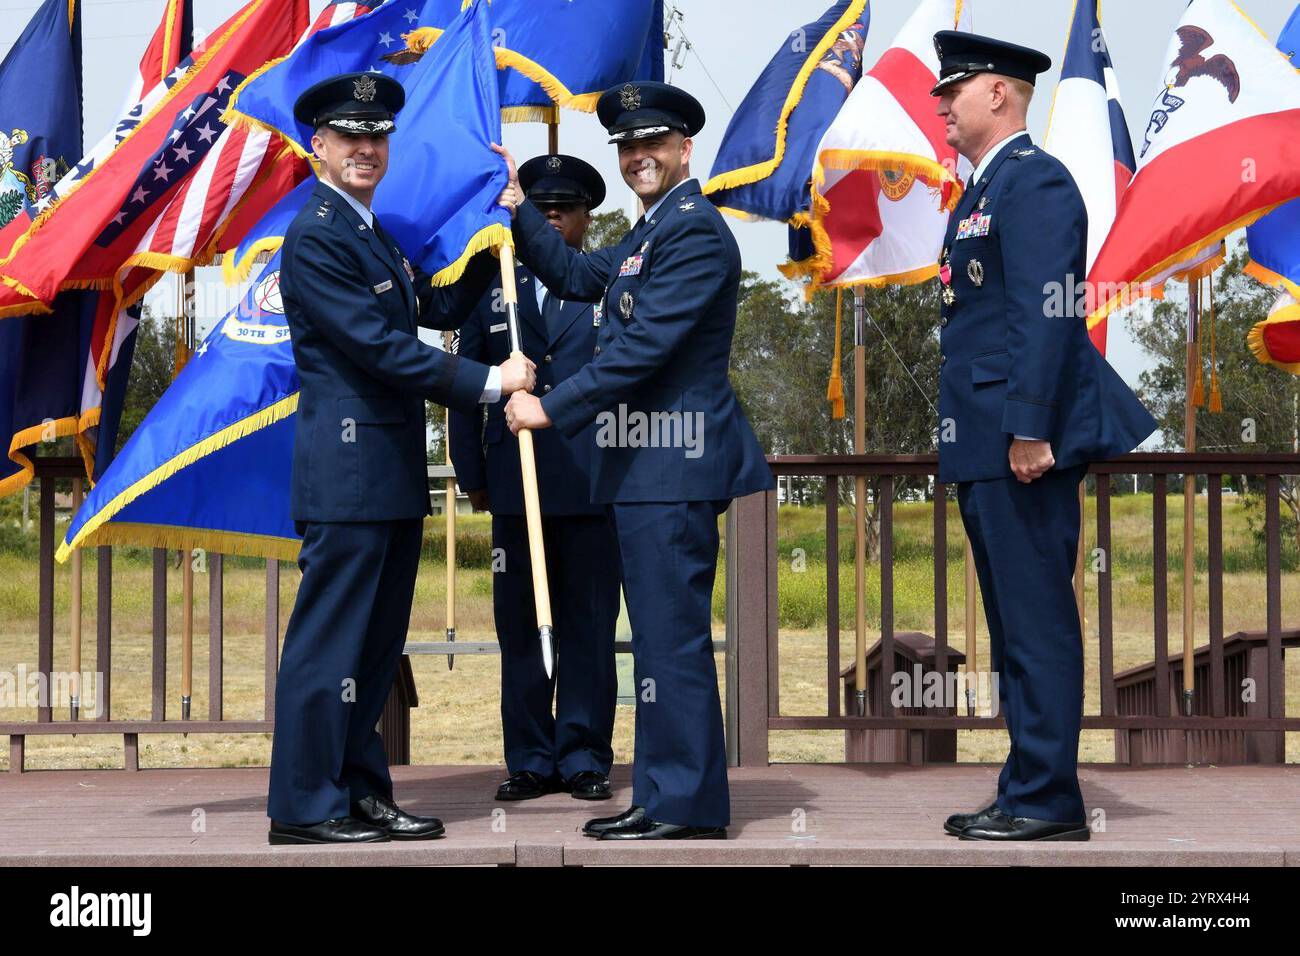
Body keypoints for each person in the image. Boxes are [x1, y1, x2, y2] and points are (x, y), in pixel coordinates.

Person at [498, 81, 773, 840]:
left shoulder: (693, 230)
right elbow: (584, 277)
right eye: (626, 146)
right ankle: (659, 794)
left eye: (652, 143)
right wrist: (520, 204)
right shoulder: (651, 232)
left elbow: (648, 349)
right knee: (654, 639)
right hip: (643, 467)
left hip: (672, 464)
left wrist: (550, 407)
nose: (638, 156)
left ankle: (683, 804)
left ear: (685, 150)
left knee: (671, 640)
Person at [267, 71, 535, 845]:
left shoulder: (368, 231)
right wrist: (491, 382)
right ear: (319, 146)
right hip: (347, 479)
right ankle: (305, 807)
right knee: (328, 649)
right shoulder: (317, 233)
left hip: (387, 478)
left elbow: (437, 306)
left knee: (374, 651)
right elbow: (383, 350)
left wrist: (497, 230)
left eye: (377, 136)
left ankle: (360, 793)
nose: (365, 148)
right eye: (349, 136)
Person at [928, 33, 1157, 841]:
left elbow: (1047, 314)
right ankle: (1025, 784)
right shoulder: (983, 190)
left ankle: (1050, 799)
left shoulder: (1037, 182)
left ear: (998, 91)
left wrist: (1029, 428)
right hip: (986, 441)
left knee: (1037, 626)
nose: (941, 106)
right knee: (1013, 627)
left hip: (1021, 444)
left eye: (951, 90)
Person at [449, 153, 621, 803]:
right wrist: (472, 475)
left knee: (587, 629)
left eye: (564, 212)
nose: (551, 221)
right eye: (539, 211)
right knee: (520, 629)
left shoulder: (607, 284)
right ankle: (529, 758)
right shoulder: (489, 284)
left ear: (585, 218)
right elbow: (465, 385)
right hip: (512, 488)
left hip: (590, 483)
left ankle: (582, 757)